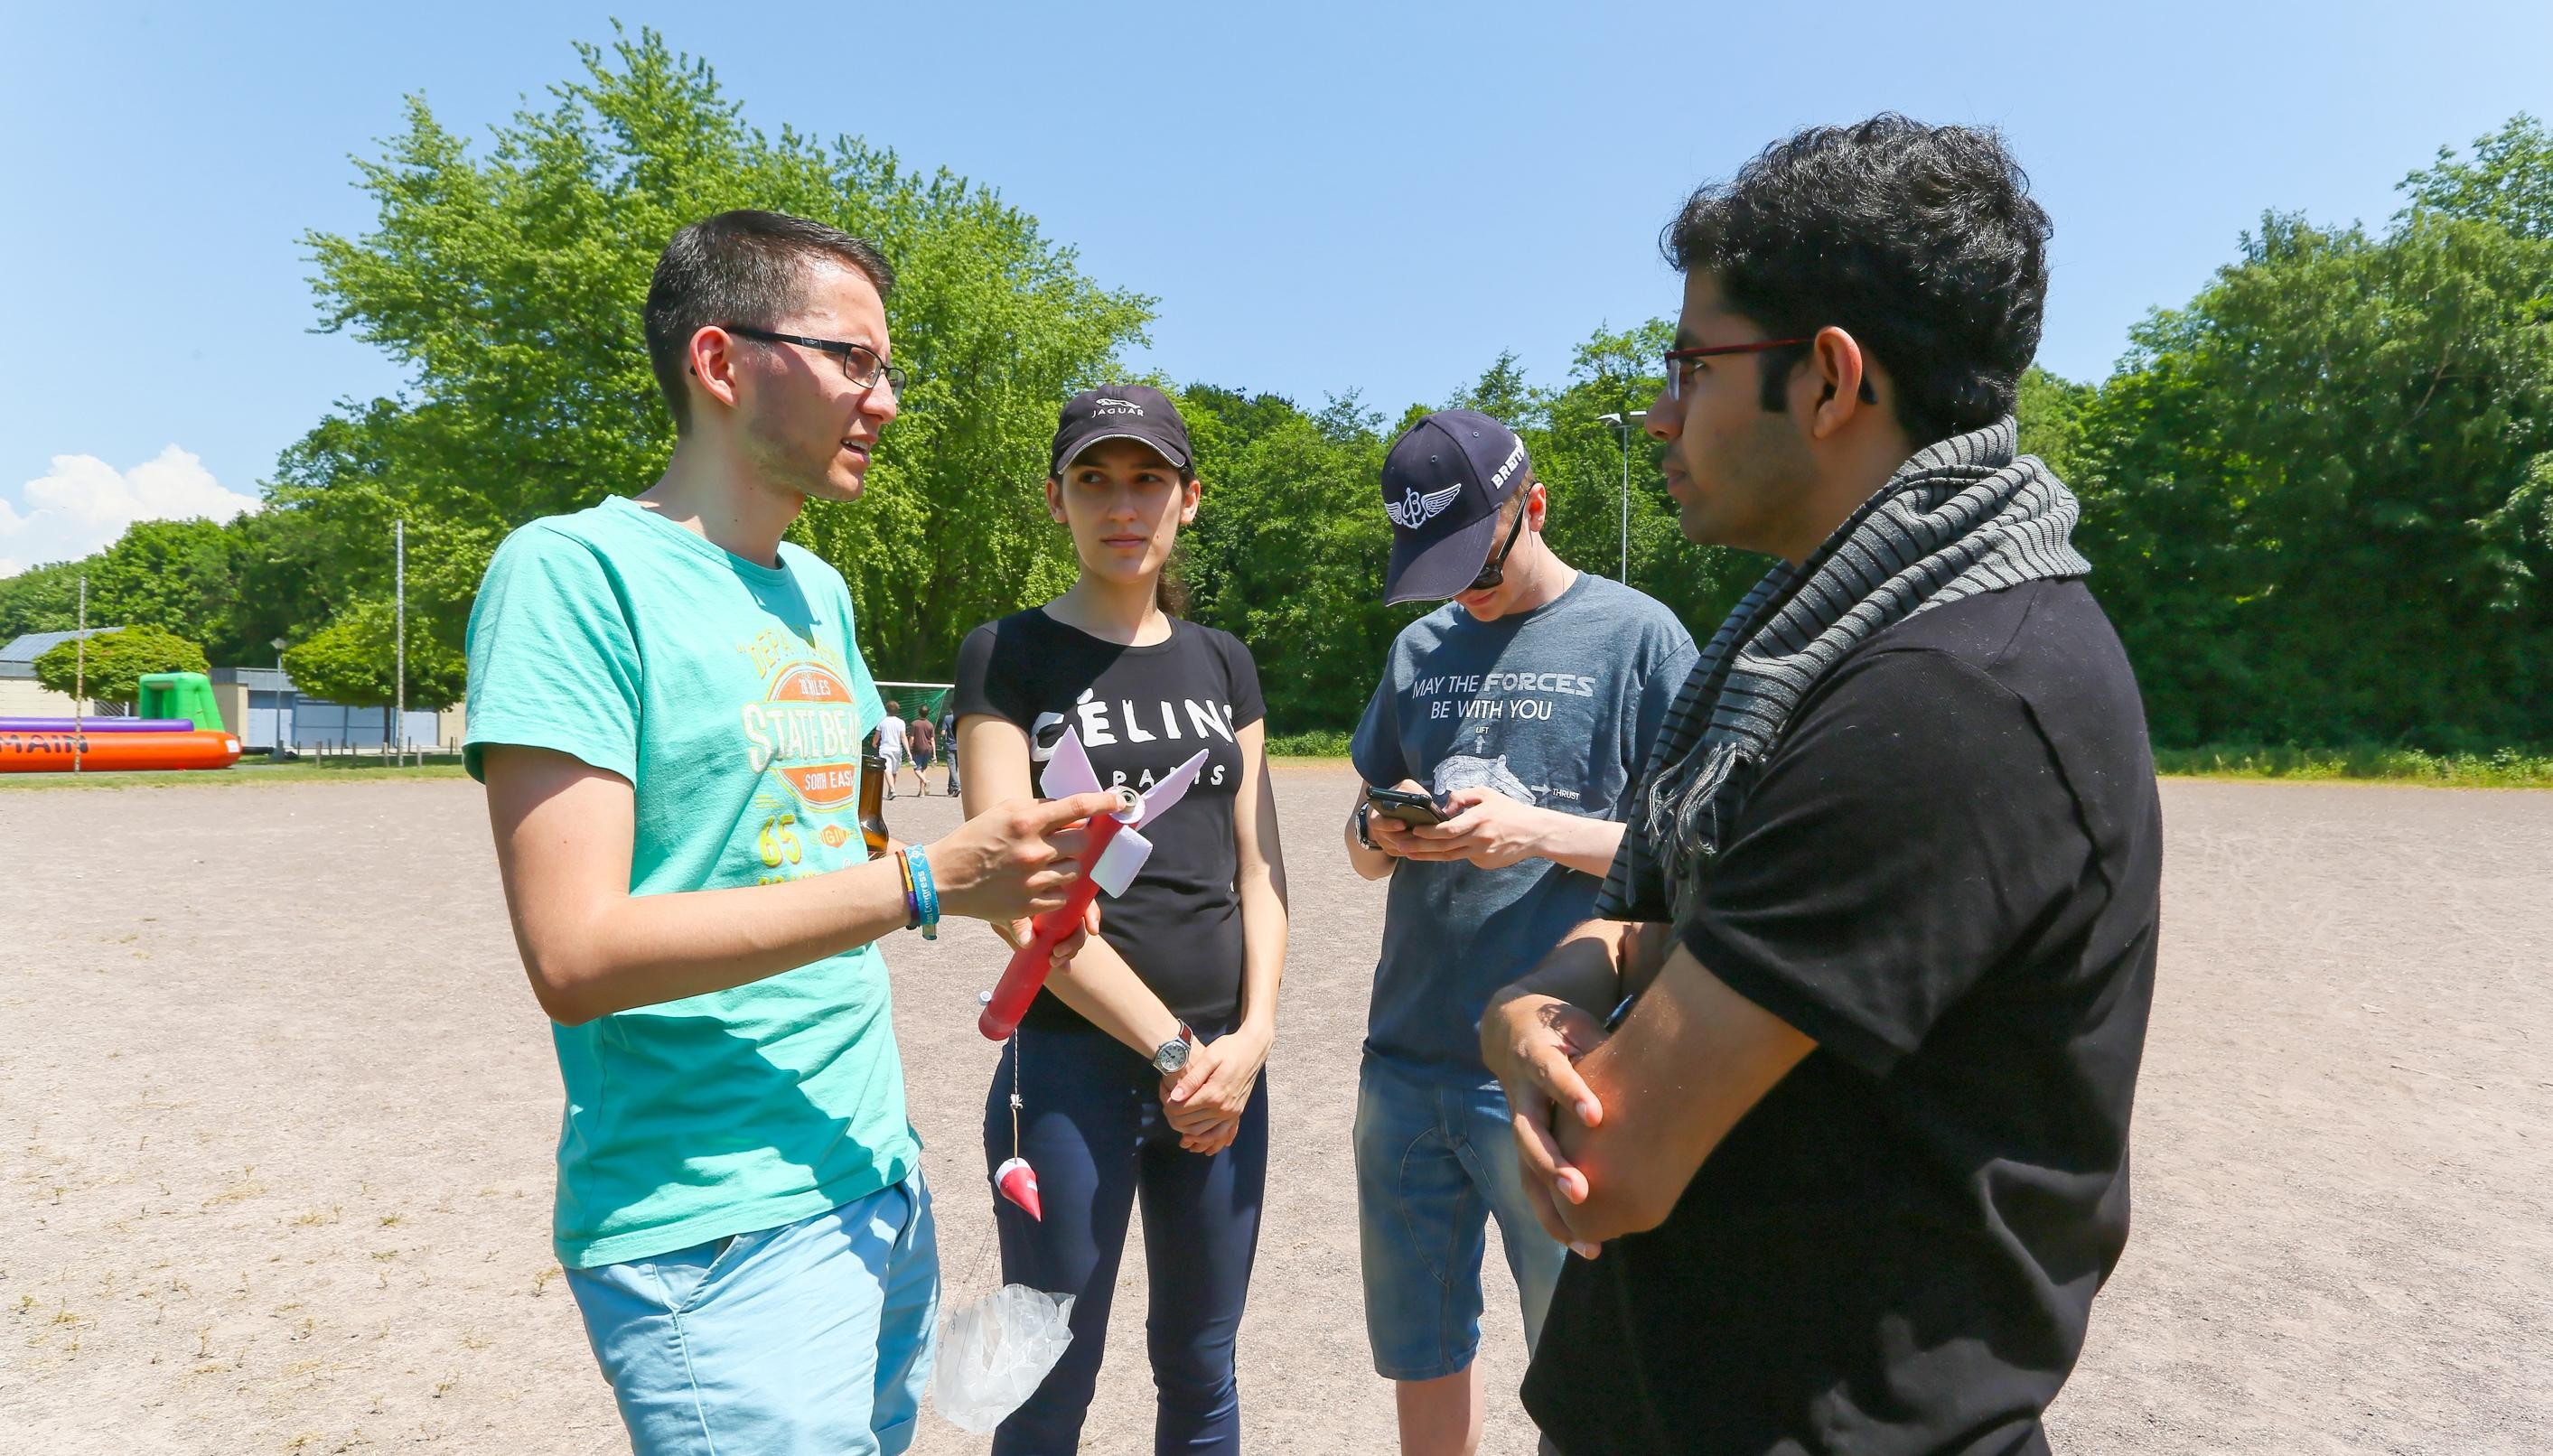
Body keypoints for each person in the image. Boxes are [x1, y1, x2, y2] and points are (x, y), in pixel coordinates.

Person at [1479, 117, 2163, 1456]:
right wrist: (1536, 998)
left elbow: (1601, 1171)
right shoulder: (1837, 641)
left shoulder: (1946, 699)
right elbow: (1657, 931)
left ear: (1831, 379)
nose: (1662, 409)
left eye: (1692, 362)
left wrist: (1533, 1017)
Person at [463, 209, 1120, 1456]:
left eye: (889, 370)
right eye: (851, 361)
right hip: (711, 1227)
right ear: (719, 361)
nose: (881, 401)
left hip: (870, 1171)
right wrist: (930, 881)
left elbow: (848, 858)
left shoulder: (816, 592)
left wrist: (999, 878)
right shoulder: (572, 575)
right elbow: (575, 953)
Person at [1342, 410, 1695, 1456]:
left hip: (1558, 1071)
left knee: (1579, 1366)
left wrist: (1533, 832)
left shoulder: (1640, 638)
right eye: (1439, 571)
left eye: (1477, 563)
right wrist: (1381, 828)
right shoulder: (1421, 648)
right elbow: (1360, 837)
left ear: (1532, 507)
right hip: (1403, 1060)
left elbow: (1686, 857)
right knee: (1421, 1347)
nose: (1465, 592)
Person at [953, 384, 1289, 1455]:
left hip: (1226, 1080)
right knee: (1047, 1378)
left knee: (1202, 1371)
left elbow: (1262, 869)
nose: (1122, 504)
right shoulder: (1006, 653)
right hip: (1072, 1071)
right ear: (1056, 499)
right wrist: (1176, 1050)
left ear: (1189, 498)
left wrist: (1252, 1042)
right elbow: (1020, 905)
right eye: (1094, 479)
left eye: (1148, 479)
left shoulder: (1223, 659)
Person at [877, 698, 908, 798]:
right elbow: (903, 737)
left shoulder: (882, 721)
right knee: (891, 770)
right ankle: (892, 789)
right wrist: (908, 751)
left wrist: (874, 742)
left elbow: (877, 735)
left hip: (885, 748)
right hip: (896, 749)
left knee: (890, 770)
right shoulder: (901, 722)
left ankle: (892, 790)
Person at [903, 711, 935, 798]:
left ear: (919, 713)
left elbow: (912, 738)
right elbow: (932, 740)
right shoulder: (930, 725)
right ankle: (922, 792)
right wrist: (934, 754)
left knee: (916, 769)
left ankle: (925, 781)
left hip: (917, 749)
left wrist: (909, 750)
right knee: (923, 769)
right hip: (928, 749)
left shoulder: (914, 724)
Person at [940, 706, 960, 796]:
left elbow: (943, 732)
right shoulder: (960, 718)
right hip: (959, 746)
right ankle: (951, 788)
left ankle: (957, 786)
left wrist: (942, 736)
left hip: (950, 745)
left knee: (952, 767)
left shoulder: (947, 718)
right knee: (954, 768)